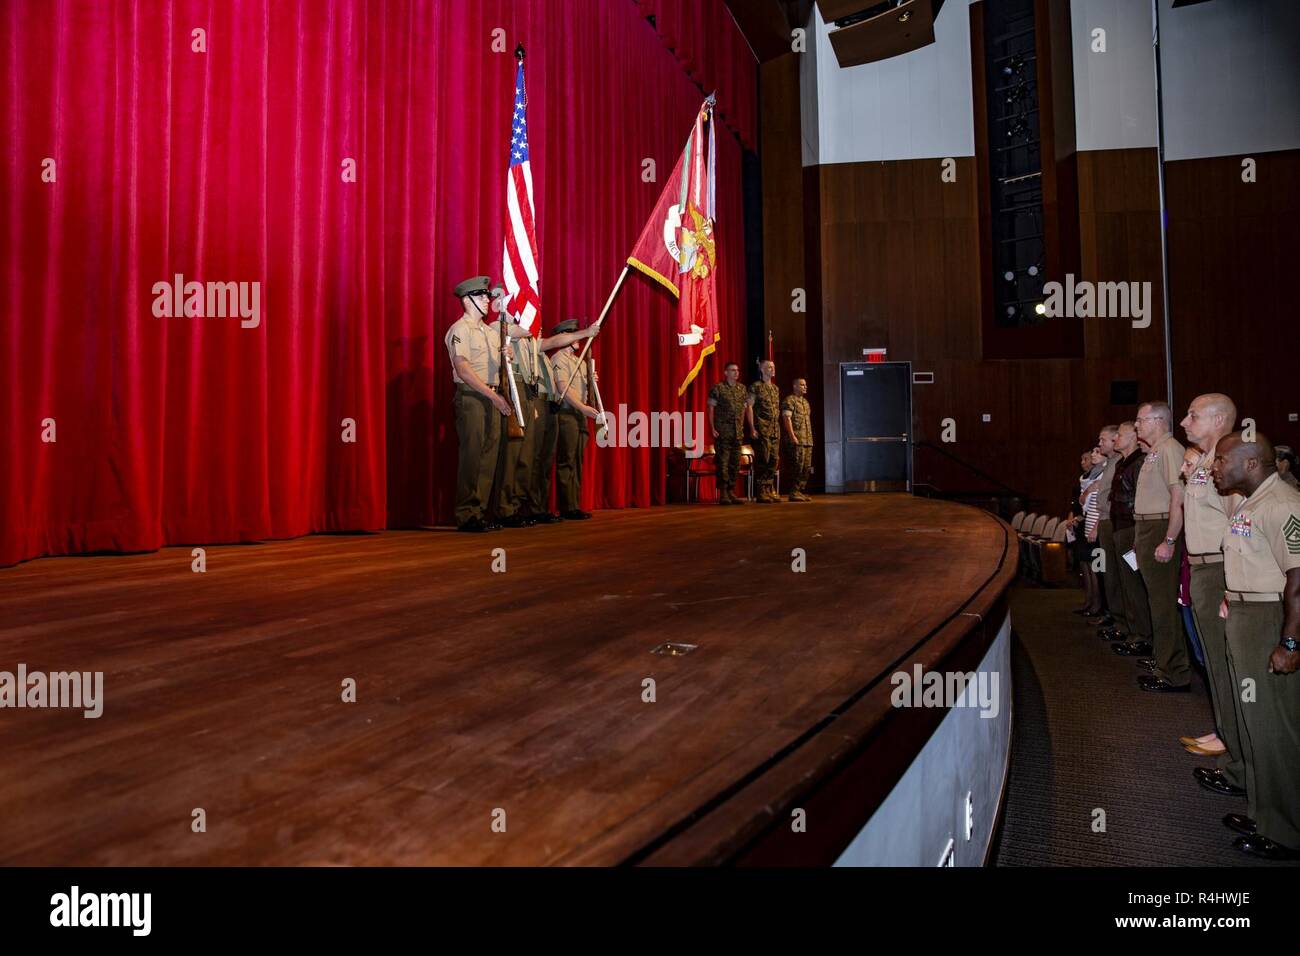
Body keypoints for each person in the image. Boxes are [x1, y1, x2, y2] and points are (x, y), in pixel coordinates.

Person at [1210, 431, 1300, 861]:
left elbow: (1299, 582)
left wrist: (1290, 641)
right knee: (1252, 725)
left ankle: (1287, 831)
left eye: (1222, 459)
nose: (1215, 466)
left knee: (1274, 730)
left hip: (1270, 620)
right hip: (1247, 617)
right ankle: (1264, 813)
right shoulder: (1252, 500)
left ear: (1249, 463)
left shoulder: (1282, 503)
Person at [1177, 394, 1248, 798]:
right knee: (1216, 669)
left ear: (1219, 419)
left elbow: (1239, 525)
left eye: (1193, 415)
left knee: (1225, 669)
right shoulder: (1204, 463)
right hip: (1202, 568)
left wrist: (1230, 584)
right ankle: (1232, 756)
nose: (1185, 422)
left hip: (1218, 569)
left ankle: (1239, 766)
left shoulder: (1227, 463)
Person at [491, 309, 597, 526]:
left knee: (538, 459)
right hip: (525, 397)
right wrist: (584, 332)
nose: (537, 327)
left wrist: (584, 333)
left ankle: (533, 507)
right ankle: (508, 508)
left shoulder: (536, 349)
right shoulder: (505, 332)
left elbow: (554, 341)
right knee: (517, 457)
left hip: (545, 404)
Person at [445, 275, 512, 533]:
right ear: (467, 300)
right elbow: (463, 369)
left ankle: (479, 511)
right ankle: (466, 514)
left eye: (487, 295)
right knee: (472, 456)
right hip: (473, 397)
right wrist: (493, 396)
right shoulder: (460, 329)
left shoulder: (489, 332)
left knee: (488, 457)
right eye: (482, 296)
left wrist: (508, 355)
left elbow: (499, 367)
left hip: (492, 396)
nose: (487, 300)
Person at [1133, 401, 1189, 692]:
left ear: (1157, 421)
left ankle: (1174, 671)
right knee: (1155, 600)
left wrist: (1168, 540)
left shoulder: (1169, 449)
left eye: (1140, 420)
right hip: (1148, 527)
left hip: (1160, 527)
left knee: (1163, 603)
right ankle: (1163, 659)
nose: (1137, 426)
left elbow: (1177, 497)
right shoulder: (1155, 451)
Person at [1109, 422, 1155, 658]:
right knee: (1126, 584)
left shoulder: (1139, 463)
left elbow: (1140, 498)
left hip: (1131, 528)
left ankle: (1142, 636)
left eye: (1120, 434)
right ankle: (1133, 631)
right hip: (1120, 526)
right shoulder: (1122, 463)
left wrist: (1138, 533)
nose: (1115, 438)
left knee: (1135, 585)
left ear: (1134, 438)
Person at [551, 324, 603, 520]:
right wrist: (583, 408)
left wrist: (591, 380)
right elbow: (563, 388)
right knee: (567, 461)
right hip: (567, 413)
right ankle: (567, 506)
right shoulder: (558, 358)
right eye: (573, 334)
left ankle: (574, 504)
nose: (578, 338)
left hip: (580, 414)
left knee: (577, 461)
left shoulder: (580, 362)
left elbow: (584, 390)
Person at [1093, 426, 1127, 639]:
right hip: (1106, 520)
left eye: (1103, 439)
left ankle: (1122, 623)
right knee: (1109, 574)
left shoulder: (1118, 462)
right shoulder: (1110, 463)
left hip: (1111, 520)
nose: (1100, 443)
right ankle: (1115, 618)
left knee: (1116, 575)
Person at [708, 363, 748, 505]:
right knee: (723, 462)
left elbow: (743, 410)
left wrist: (742, 425)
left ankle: (731, 490)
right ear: (726, 372)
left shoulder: (742, 389)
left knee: (735, 463)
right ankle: (723, 492)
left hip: (737, 432)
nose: (736, 373)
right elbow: (711, 409)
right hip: (723, 431)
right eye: (732, 370)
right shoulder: (718, 388)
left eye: (737, 370)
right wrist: (712, 427)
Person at [746, 360, 781, 503]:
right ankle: (761, 491)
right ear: (761, 369)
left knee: (773, 460)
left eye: (773, 366)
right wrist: (752, 428)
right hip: (762, 429)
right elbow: (749, 407)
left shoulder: (775, 389)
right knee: (763, 459)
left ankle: (769, 488)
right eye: (768, 367)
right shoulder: (756, 387)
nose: (772, 369)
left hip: (774, 430)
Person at [781, 378, 814, 502]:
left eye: (806, 385)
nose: (805, 387)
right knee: (797, 466)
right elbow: (786, 419)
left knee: (806, 466)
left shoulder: (805, 402)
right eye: (802, 385)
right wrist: (792, 436)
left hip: (807, 439)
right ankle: (793, 491)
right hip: (796, 439)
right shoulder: (790, 400)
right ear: (795, 386)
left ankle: (799, 491)